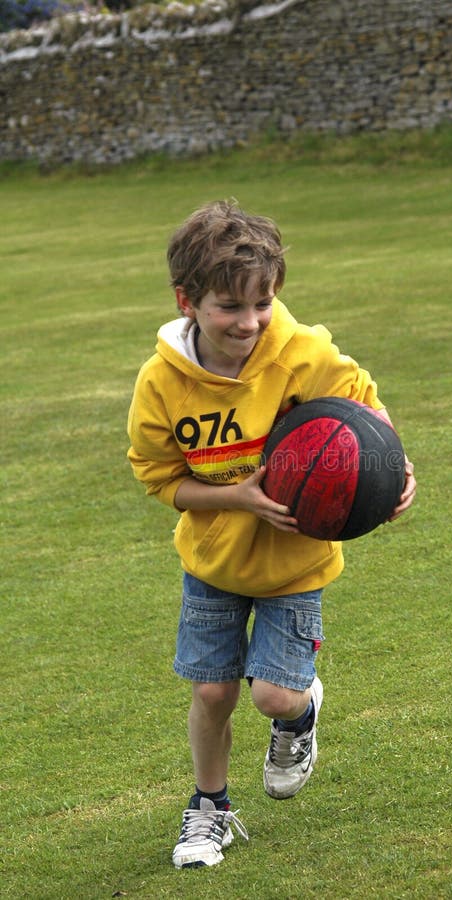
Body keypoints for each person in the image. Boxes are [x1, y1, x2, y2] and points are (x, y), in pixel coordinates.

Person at [127, 200, 416, 869]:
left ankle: (298, 712)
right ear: (186, 300)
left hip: (293, 560)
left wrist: (395, 466)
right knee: (211, 691)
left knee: (272, 695)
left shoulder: (298, 351)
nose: (250, 322)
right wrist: (238, 497)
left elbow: (364, 406)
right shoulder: (162, 383)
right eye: (230, 306)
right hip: (213, 561)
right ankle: (208, 810)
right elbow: (158, 477)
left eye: (262, 303)